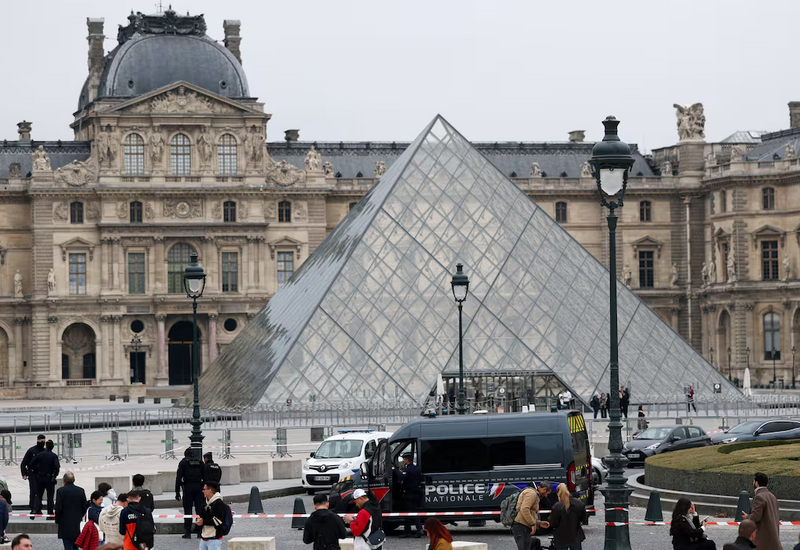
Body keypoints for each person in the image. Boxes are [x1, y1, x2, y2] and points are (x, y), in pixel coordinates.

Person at [742, 472, 781, 549]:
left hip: (763, 541)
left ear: (756, 483)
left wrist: (747, 517)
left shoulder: (759, 497)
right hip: (774, 539)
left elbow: (756, 517)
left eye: (753, 481)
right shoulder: (772, 496)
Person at [175, 448, 205, 538]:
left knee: (187, 511)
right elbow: (205, 476)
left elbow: (178, 478)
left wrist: (177, 492)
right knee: (199, 510)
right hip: (199, 488)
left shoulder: (183, 463)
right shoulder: (200, 462)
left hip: (187, 488)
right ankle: (199, 531)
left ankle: (188, 532)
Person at [55, 472, 88, 550]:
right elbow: (84, 506)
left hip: (65, 523)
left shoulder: (61, 491)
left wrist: (57, 519)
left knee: (68, 545)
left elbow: (59, 507)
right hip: (77, 522)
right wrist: (80, 515)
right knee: (76, 545)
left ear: (64, 480)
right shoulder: (80, 490)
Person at [549, 483, 586, 550]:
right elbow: (584, 519)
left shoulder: (557, 506)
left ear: (558, 493)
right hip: (575, 536)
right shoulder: (579, 503)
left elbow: (553, 523)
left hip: (561, 537)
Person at [513, 482, 549, 550]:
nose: (546, 495)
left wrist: (538, 523)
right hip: (521, 526)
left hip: (523, 526)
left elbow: (530, 512)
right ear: (544, 489)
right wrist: (532, 523)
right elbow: (524, 509)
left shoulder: (533, 494)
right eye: (547, 493)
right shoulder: (532, 493)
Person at [29, 439, 59, 518]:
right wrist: (54, 475)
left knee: (38, 495)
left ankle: (35, 510)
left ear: (46, 446)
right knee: (50, 497)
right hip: (49, 478)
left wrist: (36, 471)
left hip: (40, 477)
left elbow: (31, 464)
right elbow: (57, 467)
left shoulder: (40, 455)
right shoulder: (54, 456)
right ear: (52, 447)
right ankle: (50, 514)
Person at [398, 452, 423, 538]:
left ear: (407, 460)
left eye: (404, 459)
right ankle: (408, 531)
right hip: (416, 493)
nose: (403, 461)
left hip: (409, 493)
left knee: (410, 512)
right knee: (413, 511)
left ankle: (417, 530)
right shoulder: (417, 469)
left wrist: (394, 470)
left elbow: (401, 479)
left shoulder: (407, 470)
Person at [196, 481, 227, 550]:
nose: (203, 491)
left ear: (210, 490)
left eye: (204, 489)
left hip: (214, 538)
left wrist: (203, 522)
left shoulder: (219, 503)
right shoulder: (207, 502)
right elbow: (201, 514)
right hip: (204, 536)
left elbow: (218, 521)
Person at [21, 435, 46, 513]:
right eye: (41, 441)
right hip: (33, 474)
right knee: (33, 491)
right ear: (38, 441)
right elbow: (23, 463)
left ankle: (38, 508)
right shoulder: (31, 451)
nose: (43, 443)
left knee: (40, 492)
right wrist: (24, 474)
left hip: (42, 474)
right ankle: (33, 507)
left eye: (44, 441)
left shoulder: (45, 451)